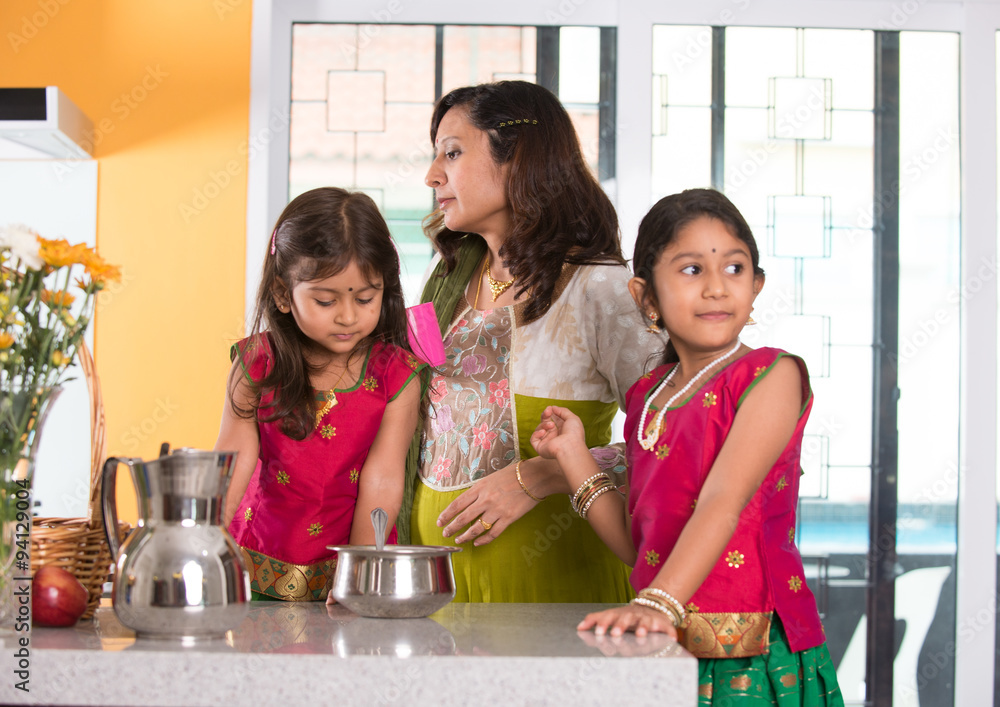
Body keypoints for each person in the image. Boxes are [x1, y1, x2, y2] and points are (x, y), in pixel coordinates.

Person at [530, 189, 845, 704]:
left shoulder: (771, 375)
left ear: (757, 285)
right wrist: (573, 455)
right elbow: (644, 547)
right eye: (692, 270)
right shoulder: (646, 396)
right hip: (666, 640)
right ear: (646, 296)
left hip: (753, 649)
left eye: (735, 268)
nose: (718, 288)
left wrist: (657, 604)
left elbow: (723, 500)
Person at [405, 80, 664, 603]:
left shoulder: (600, 289)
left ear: (517, 156)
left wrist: (543, 473)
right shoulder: (447, 280)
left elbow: (673, 442)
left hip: (551, 585)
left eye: (452, 154)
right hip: (438, 592)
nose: (433, 176)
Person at [217, 187, 425, 601]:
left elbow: (383, 480)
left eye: (366, 298)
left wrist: (361, 573)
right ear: (282, 294)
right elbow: (233, 455)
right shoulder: (257, 361)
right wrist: (205, 540)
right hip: (254, 559)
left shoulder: (397, 376)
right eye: (326, 301)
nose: (349, 316)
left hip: (349, 566)